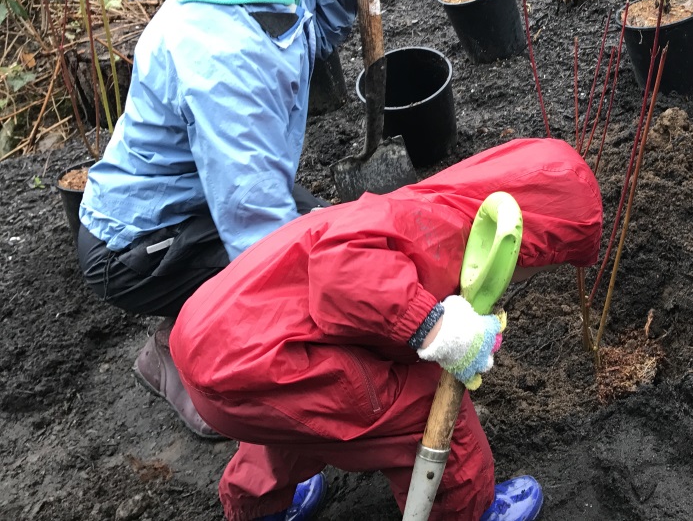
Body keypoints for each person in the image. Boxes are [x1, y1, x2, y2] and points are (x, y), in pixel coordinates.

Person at [76, 0, 388, 440]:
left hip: (204, 196)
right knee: (299, 296)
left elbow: (313, 35)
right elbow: (257, 233)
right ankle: (186, 357)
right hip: (138, 246)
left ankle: (179, 328)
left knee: (327, 238)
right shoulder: (217, 49)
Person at [170, 137, 604, 521]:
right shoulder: (436, 234)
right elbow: (342, 272)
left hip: (230, 350)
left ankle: (260, 505)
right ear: (524, 240)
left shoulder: (425, 206)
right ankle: (468, 512)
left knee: (300, 412)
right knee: (420, 410)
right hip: (252, 366)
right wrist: (437, 330)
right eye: (548, 262)